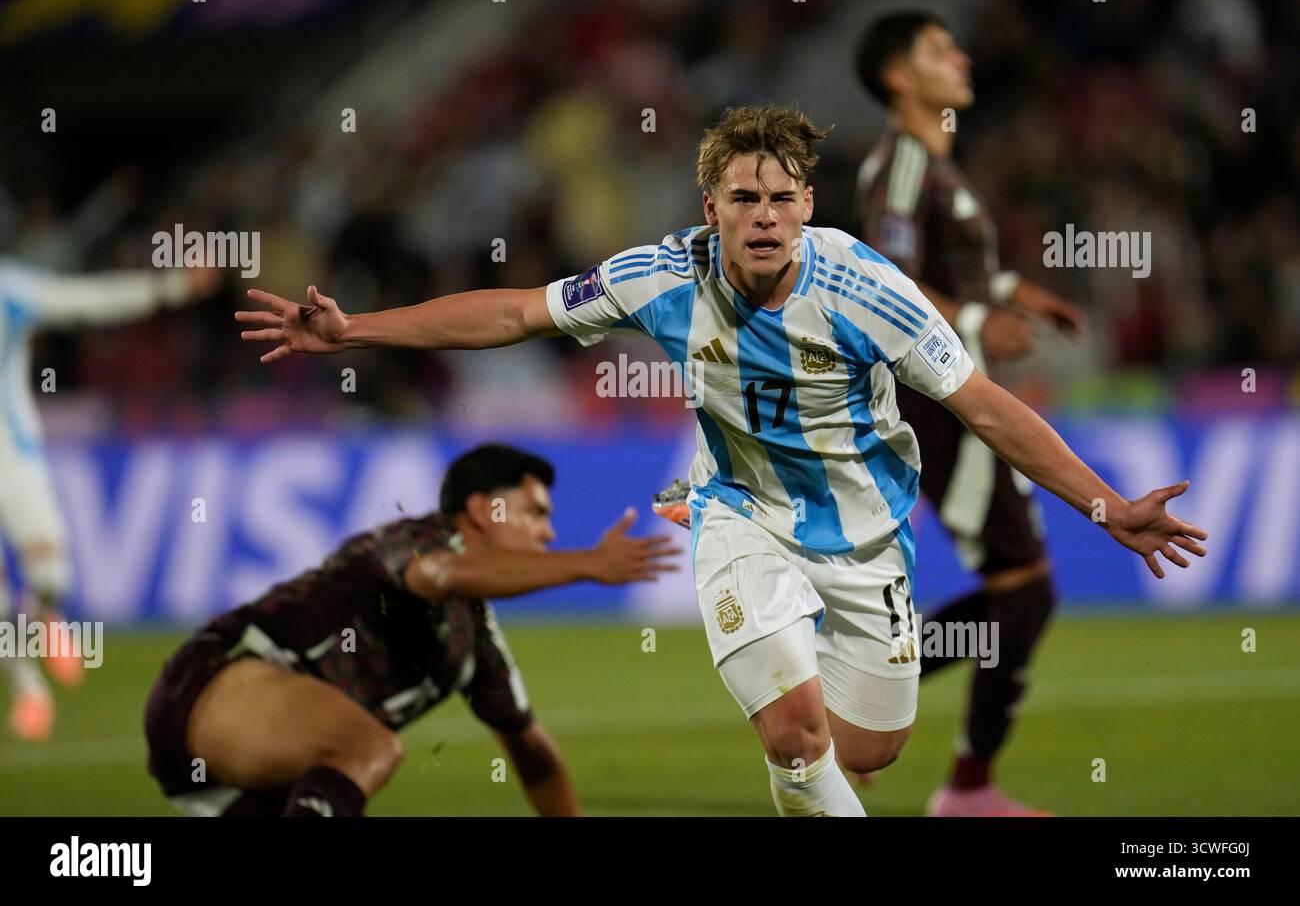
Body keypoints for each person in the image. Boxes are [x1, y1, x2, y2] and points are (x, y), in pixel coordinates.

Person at [237, 104, 1207, 817]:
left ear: (807, 203)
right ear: (711, 206)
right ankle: (776, 692)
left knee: (867, 748)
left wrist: (1103, 503)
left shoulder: (866, 287)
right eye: (742, 197)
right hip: (734, 511)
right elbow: (515, 309)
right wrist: (355, 328)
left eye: (781, 197)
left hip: (866, 535)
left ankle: (809, 752)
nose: (763, 215)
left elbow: (986, 406)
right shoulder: (659, 273)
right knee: (795, 735)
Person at [143, 443, 677, 816]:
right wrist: (584, 564)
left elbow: (531, 753)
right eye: (534, 513)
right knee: (368, 749)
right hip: (216, 682)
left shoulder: (476, 642)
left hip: (247, 766)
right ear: (480, 509)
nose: (549, 531)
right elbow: (441, 573)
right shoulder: (414, 540)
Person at [855, 10, 1090, 815]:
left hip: (959, 388)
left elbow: (959, 273)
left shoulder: (939, 170)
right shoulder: (904, 167)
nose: (959, 56)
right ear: (898, 76)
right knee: (1024, 589)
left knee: (1019, 587)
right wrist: (986, 322)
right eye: (936, 49)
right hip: (938, 399)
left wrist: (1021, 294)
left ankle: (869, 697)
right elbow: (889, 276)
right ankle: (964, 789)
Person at [0, 258, 217, 740]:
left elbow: (88, 301)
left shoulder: (9, 291)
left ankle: (46, 615)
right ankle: (30, 690)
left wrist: (171, 287)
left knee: (48, 575)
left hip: (11, 456)